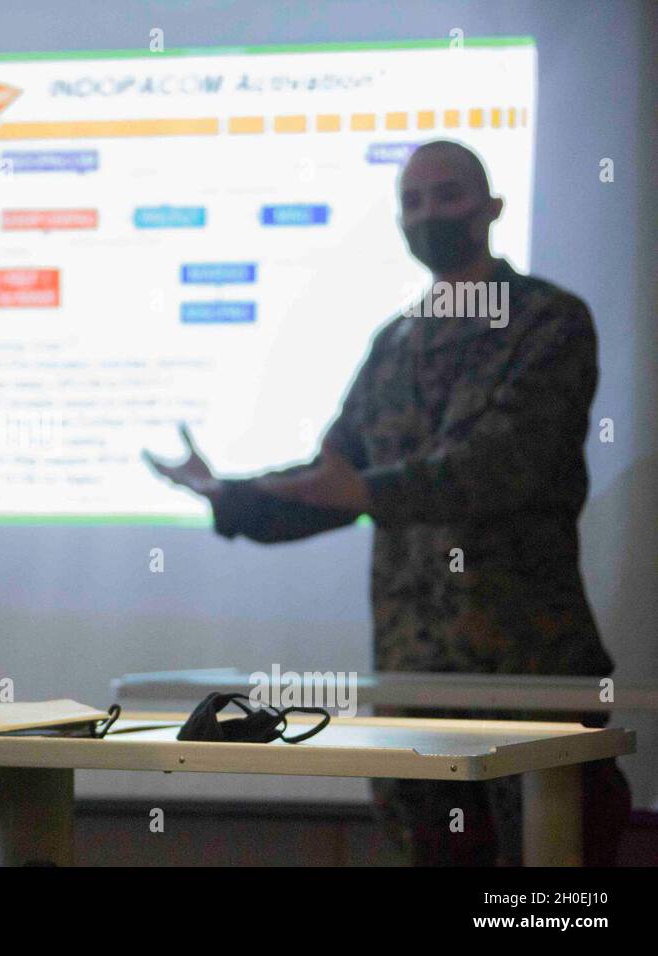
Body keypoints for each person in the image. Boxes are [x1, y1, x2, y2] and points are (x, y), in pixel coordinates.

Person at [145, 140, 629, 865]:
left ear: (491, 208)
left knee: (550, 883)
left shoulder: (548, 321)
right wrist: (227, 494)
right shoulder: (393, 345)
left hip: (530, 672)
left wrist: (370, 491)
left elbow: (506, 465)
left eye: (448, 194)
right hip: (414, 680)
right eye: (413, 201)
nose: (430, 213)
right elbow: (331, 481)